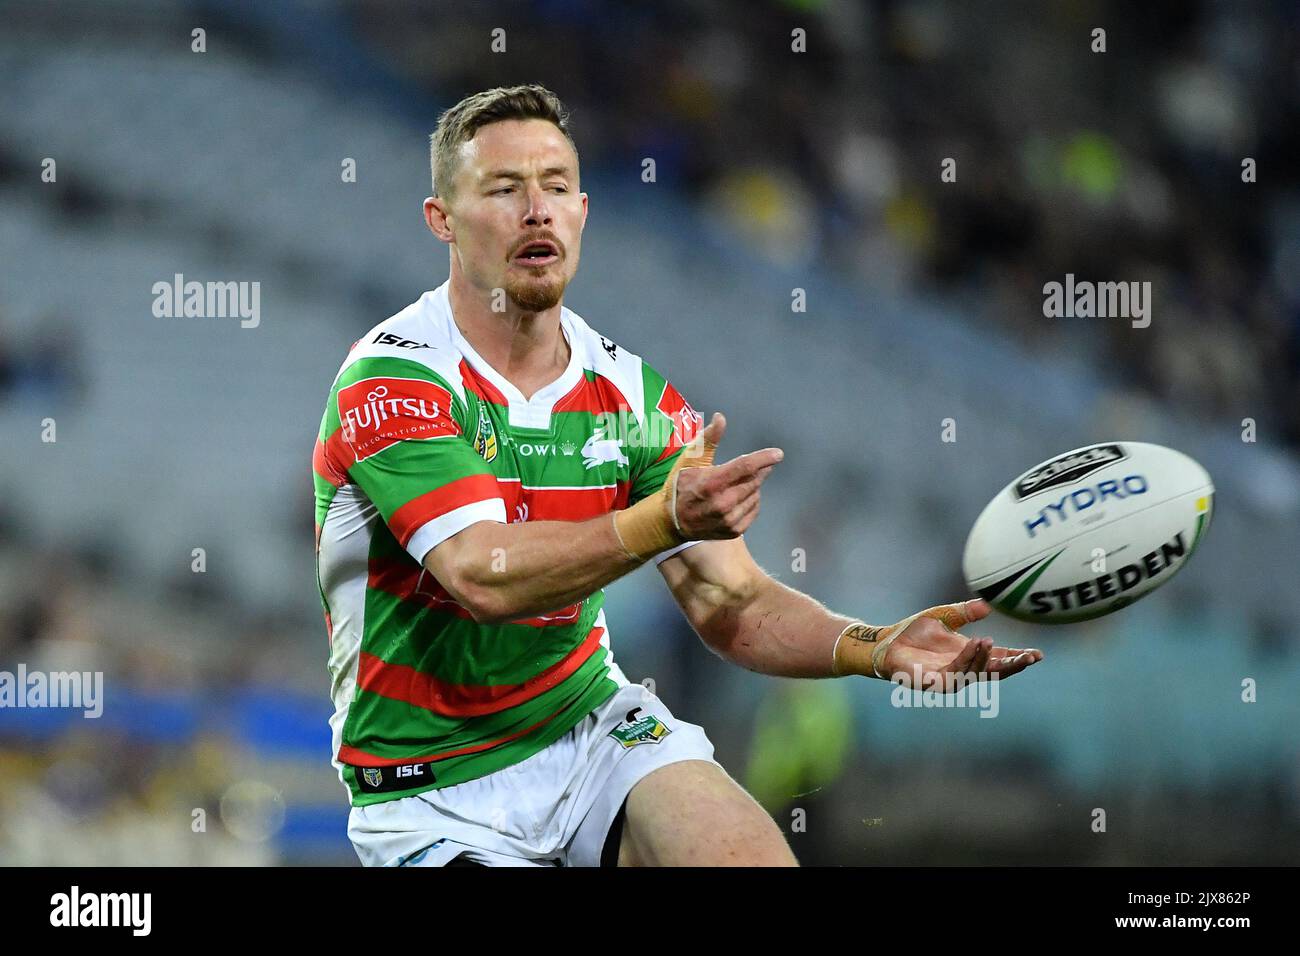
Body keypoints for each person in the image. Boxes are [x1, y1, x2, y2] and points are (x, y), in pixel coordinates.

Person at [312, 83, 1044, 867]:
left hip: (586, 727)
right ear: (443, 221)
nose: (537, 210)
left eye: (556, 186)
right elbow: (482, 577)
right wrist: (663, 520)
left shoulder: (633, 399)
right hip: (429, 785)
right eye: (504, 189)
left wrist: (875, 646)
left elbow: (730, 600)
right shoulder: (395, 382)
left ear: (583, 212)